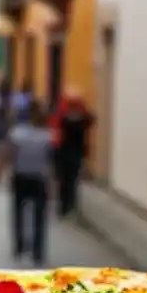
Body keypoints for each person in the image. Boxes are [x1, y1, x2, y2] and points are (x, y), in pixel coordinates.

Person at [0, 101, 53, 266]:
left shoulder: (19, 133)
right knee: (39, 216)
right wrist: (53, 181)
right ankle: (37, 251)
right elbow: (52, 161)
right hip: (37, 179)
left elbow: (6, 153)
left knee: (19, 213)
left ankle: (20, 247)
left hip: (22, 177)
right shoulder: (49, 135)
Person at [51, 89, 95, 218]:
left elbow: (55, 130)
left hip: (62, 153)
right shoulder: (83, 118)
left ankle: (64, 207)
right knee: (73, 180)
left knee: (64, 180)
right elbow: (91, 119)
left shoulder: (63, 116)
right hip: (76, 154)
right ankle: (71, 205)